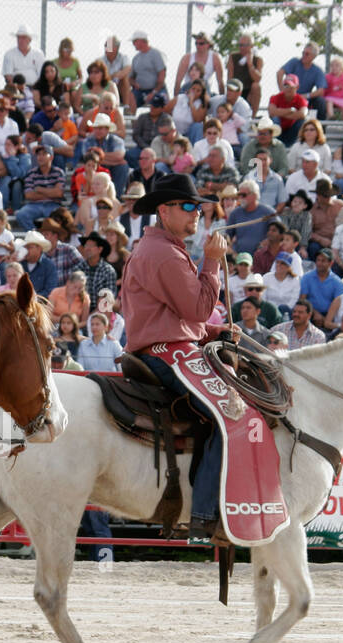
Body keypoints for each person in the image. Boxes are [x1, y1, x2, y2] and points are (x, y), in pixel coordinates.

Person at [121, 172, 229, 538]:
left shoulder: (159, 250)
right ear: (164, 211)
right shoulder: (165, 254)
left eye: (198, 207)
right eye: (188, 206)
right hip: (166, 353)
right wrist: (211, 262)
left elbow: (176, 316)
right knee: (225, 413)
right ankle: (204, 514)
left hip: (163, 347)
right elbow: (198, 309)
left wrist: (216, 332)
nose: (196, 213)